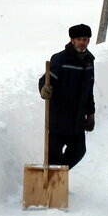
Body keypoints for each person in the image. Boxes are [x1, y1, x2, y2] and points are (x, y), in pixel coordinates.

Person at [38, 24, 96, 169]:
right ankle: (52, 185)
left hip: (78, 120)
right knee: (52, 156)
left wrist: (90, 113)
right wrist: (44, 89)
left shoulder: (89, 61)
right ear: (72, 40)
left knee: (78, 151)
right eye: (79, 39)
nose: (82, 42)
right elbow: (45, 80)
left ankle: (58, 177)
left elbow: (89, 90)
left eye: (85, 39)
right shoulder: (60, 59)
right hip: (59, 119)